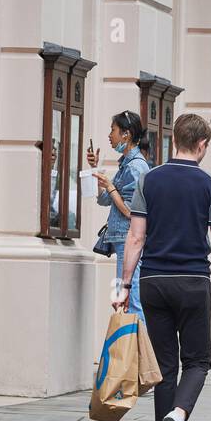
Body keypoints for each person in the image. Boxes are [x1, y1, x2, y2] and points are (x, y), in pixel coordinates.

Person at [115, 113, 211, 421]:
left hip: (153, 281)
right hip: (193, 280)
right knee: (197, 362)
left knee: (165, 367)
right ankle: (179, 416)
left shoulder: (150, 180)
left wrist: (124, 284)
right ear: (201, 145)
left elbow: (135, 237)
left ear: (175, 139)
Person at [89, 111, 150, 319]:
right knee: (124, 301)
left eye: (113, 130)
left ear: (126, 134)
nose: (109, 135)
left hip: (128, 240)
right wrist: (95, 170)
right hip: (121, 240)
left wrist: (110, 187)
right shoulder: (125, 164)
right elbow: (104, 199)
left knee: (132, 301)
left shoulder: (135, 167)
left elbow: (133, 212)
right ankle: (132, 348)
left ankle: (137, 350)